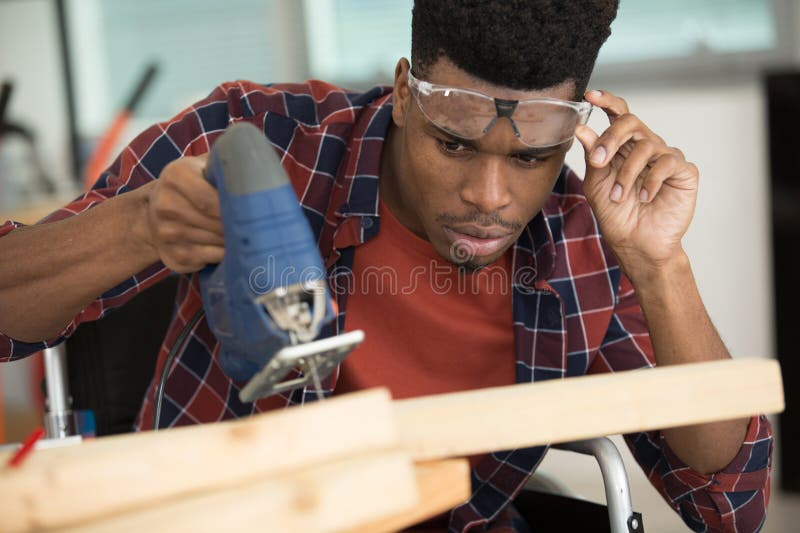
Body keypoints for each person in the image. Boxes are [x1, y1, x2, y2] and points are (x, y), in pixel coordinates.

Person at [0, 1, 772, 531]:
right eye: (455, 143)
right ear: (406, 92)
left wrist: (658, 263)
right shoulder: (257, 135)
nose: (490, 198)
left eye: (532, 158)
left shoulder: (580, 237)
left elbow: (727, 506)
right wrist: (136, 224)